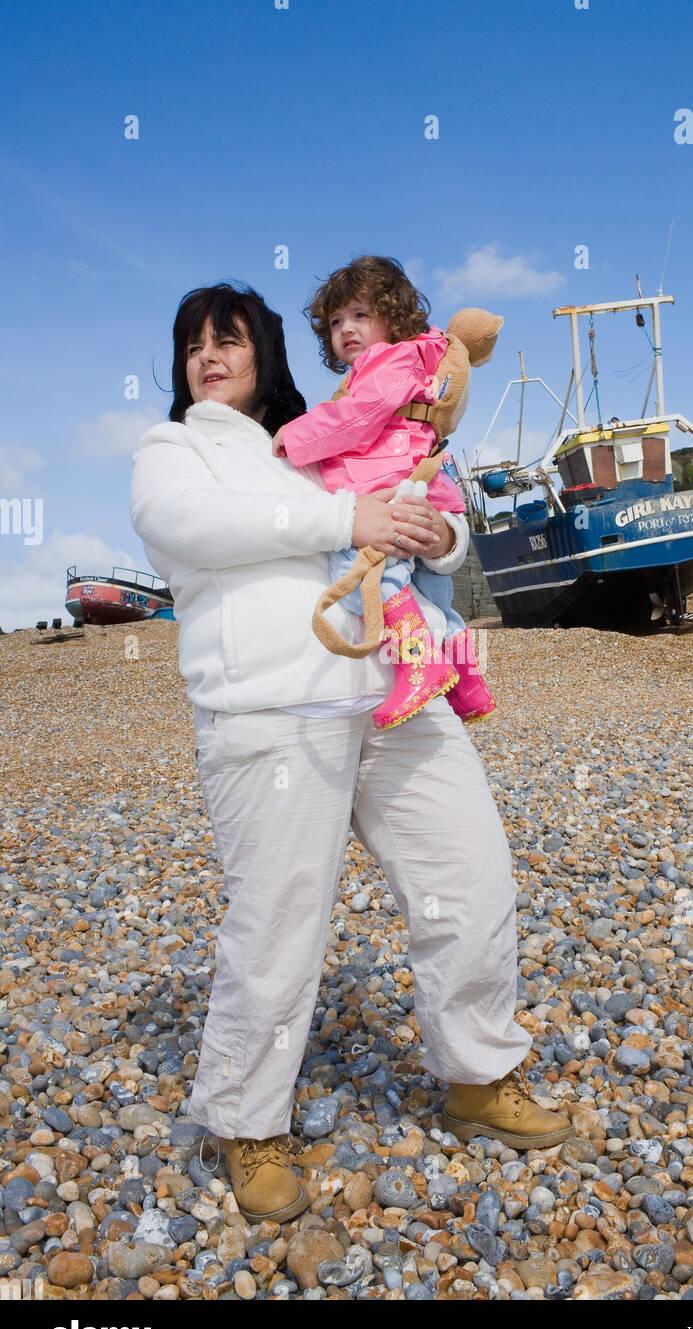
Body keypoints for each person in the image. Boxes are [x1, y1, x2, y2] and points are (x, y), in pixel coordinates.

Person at [129, 282, 572, 1225]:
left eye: (231, 341)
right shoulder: (175, 451)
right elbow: (187, 530)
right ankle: (248, 1121)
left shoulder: (326, 433)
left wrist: (440, 532)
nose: (211, 357)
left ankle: (478, 1073)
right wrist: (346, 523)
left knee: (474, 873)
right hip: (271, 715)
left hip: (392, 696)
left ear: (267, 356)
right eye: (195, 346)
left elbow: (424, 508)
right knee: (281, 919)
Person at [273, 254, 495, 731]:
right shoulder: (415, 361)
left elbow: (356, 418)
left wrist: (295, 436)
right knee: (434, 592)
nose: (346, 329)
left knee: (362, 578)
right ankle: (466, 680)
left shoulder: (388, 361)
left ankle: (418, 664)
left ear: (393, 318)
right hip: (424, 483)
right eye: (335, 321)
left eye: (360, 315)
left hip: (388, 484)